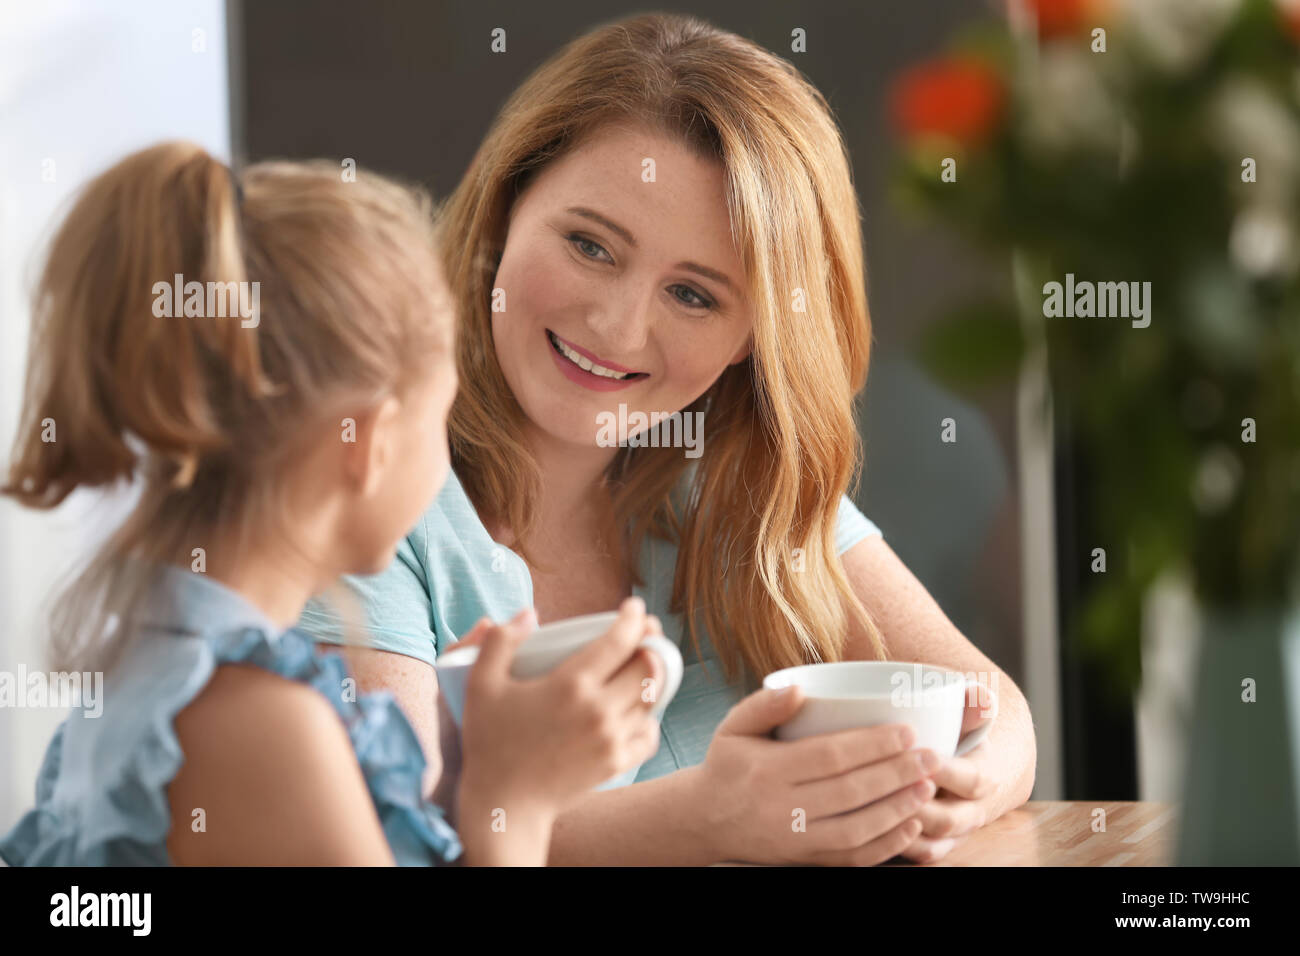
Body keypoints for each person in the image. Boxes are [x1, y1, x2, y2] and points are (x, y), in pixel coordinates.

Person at [297, 12, 1036, 865]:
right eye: (589, 245)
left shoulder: (728, 481)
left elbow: (994, 710)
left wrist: (954, 793)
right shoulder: (369, 488)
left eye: (694, 296)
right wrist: (709, 818)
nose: (616, 325)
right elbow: (393, 837)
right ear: (505, 211)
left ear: (756, 338)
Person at [0, 141, 665, 866]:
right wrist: (516, 800)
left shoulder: (176, 665)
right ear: (368, 442)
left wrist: (462, 759)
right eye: (438, 420)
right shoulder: (258, 724)